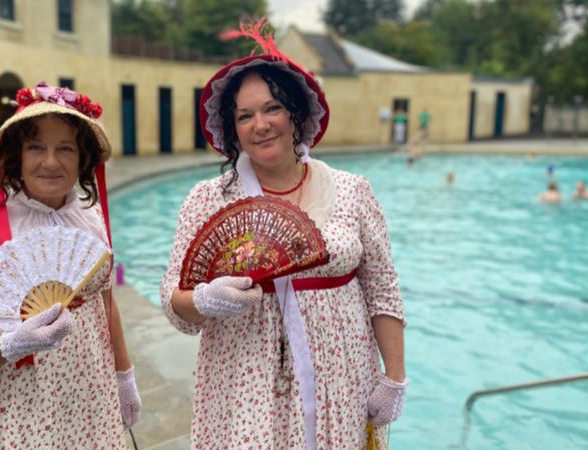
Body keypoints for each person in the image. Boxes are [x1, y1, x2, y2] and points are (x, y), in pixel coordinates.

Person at [160, 19, 407, 449]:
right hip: (246, 385)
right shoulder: (208, 200)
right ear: (231, 128)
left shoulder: (352, 190)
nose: (261, 124)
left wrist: (395, 378)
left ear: (297, 113)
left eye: (272, 108)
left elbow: (382, 290)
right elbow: (172, 300)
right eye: (245, 115)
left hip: (341, 381)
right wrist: (203, 299)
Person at [0, 82, 141, 448]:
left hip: (87, 399)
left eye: (65, 148)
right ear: (16, 155)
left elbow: (105, 305)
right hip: (16, 410)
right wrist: (13, 343)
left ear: (83, 158)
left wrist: (123, 376)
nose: (50, 161)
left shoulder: (90, 221)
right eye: (36, 147)